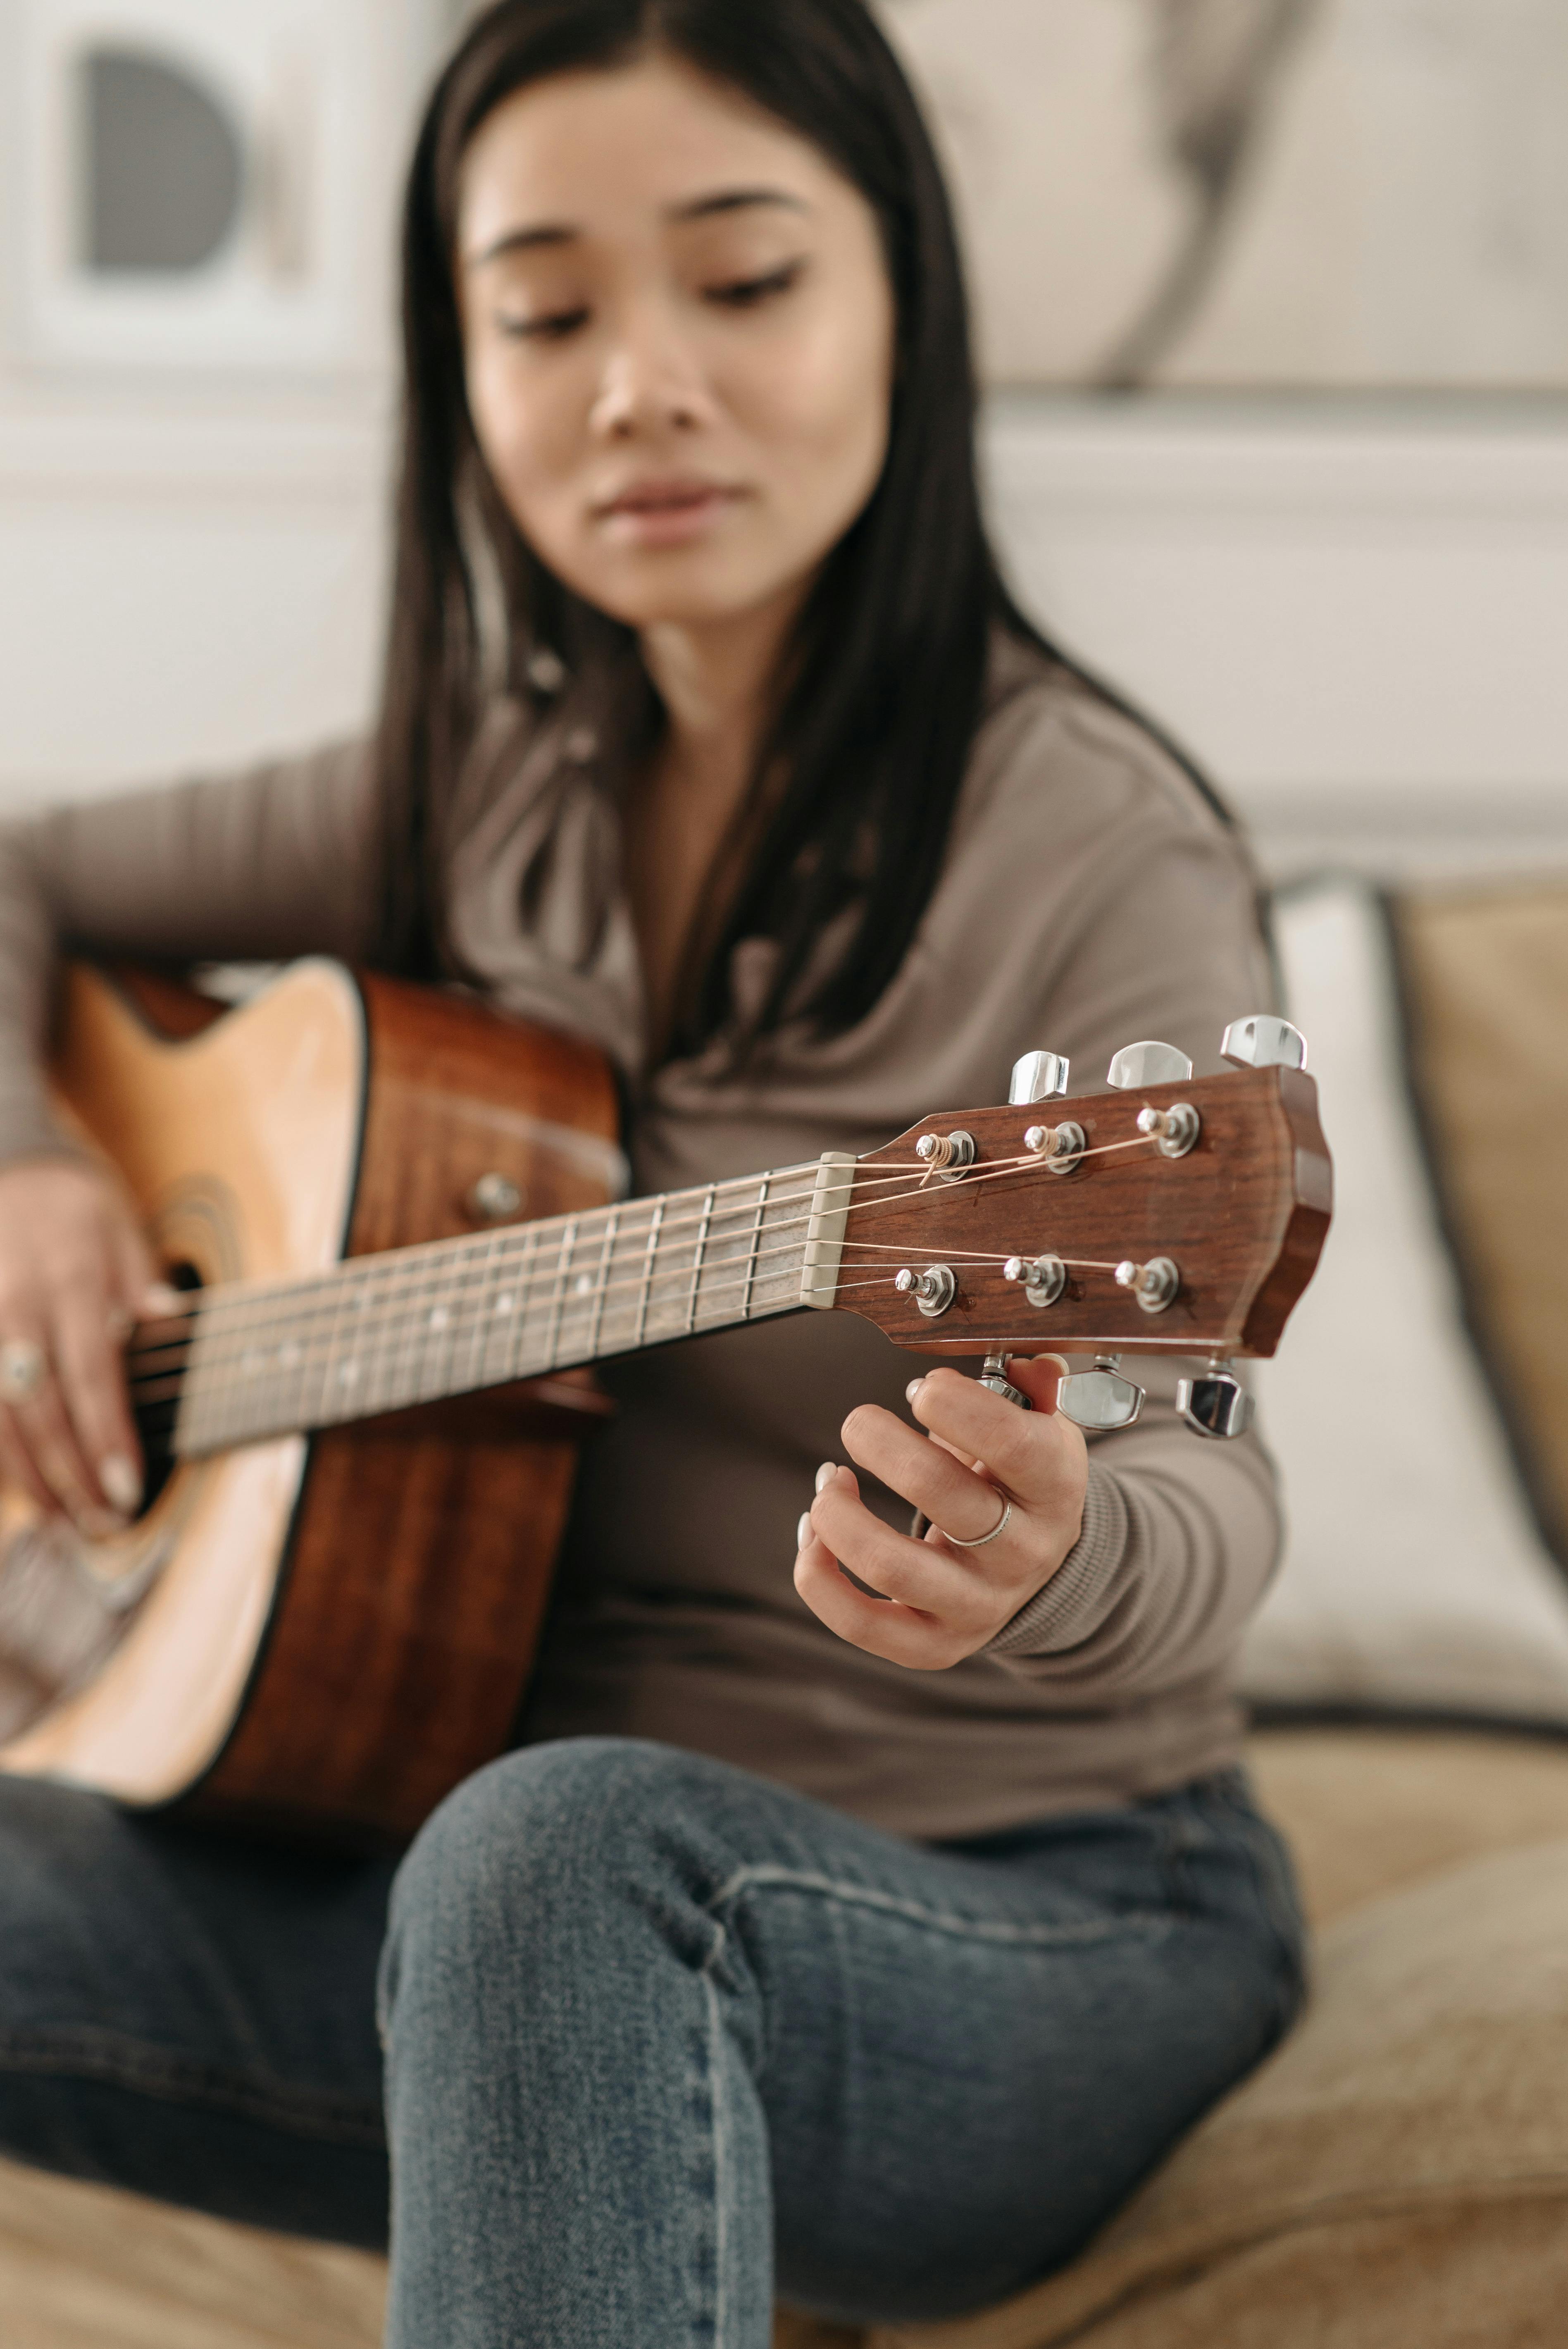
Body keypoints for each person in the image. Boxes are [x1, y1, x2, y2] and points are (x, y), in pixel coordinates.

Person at [0, 3, 1305, 2342]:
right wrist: (33, 1176)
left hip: (1021, 1922)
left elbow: (1208, 1501)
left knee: (556, 1851)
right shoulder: (475, 782)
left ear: (902, 290)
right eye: (543, 310)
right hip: (474, 1929)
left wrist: (1056, 1546)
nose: (636, 384)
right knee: (506, 1869)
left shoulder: (1097, 851)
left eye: (742, 278)